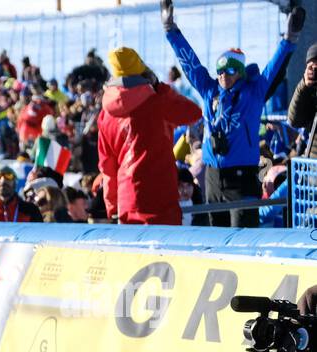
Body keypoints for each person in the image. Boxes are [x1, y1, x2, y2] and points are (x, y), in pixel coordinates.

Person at [163, 0, 302, 226]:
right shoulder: (210, 92)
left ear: (239, 72)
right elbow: (191, 65)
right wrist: (171, 31)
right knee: (216, 236)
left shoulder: (253, 93)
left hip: (242, 178)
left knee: (243, 235)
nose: (223, 75)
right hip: (213, 177)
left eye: (229, 70)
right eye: (219, 70)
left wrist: (289, 39)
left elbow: (274, 67)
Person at [98, 47, 202, 226]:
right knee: (166, 252)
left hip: (127, 200)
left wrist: (112, 205)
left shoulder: (106, 115)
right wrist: (161, 88)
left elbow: (107, 165)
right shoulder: (158, 102)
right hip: (160, 197)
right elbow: (193, 112)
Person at [288, 43, 317, 157]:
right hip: (314, 167)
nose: (315, 70)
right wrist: (304, 85)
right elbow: (294, 121)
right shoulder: (309, 91)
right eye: (311, 67)